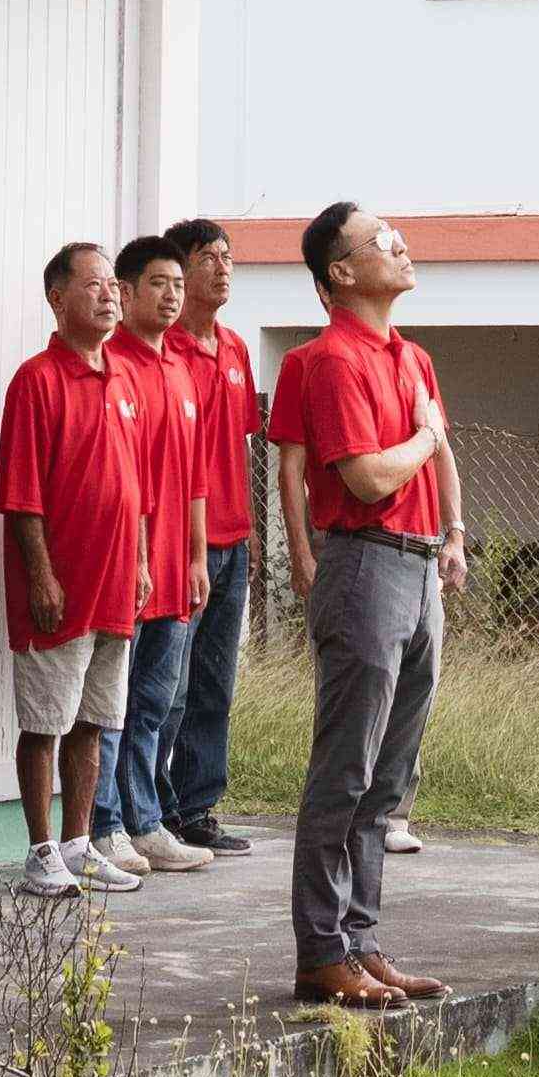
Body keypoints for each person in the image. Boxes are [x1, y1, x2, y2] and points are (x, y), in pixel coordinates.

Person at [274, 199, 460, 1012]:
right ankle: (322, 951)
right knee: (346, 767)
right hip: (365, 564)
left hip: (417, 566)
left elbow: (434, 459)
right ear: (341, 272)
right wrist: (422, 439)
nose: (401, 244)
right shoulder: (328, 361)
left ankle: (360, 941)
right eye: (383, 239)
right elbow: (368, 477)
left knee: (390, 775)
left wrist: (453, 530)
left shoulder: (411, 357)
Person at [0, 241, 152, 896]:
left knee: (94, 721)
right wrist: (41, 574)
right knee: (45, 722)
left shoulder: (124, 377)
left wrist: (140, 561)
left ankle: (80, 844)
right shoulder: (36, 379)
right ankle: (40, 852)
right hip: (61, 586)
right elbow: (20, 491)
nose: (110, 294)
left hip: (115, 585)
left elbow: (134, 485)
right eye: (94, 284)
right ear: (58, 299)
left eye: (113, 284)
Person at [154, 221, 266, 863]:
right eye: (207, 259)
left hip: (233, 538)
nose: (223, 269)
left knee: (215, 682)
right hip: (180, 543)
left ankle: (198, 807)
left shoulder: (235, 348)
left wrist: (247, 530)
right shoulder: (162, 352)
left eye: (228, 257)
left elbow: (241, 444)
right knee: (167, 685)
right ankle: (156, 809)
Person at [96, 238, 206, 868]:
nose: (171, 296)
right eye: (159, 283)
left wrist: (196, 557)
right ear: (127, 290)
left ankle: (145, 820)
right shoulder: (112, 366)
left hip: (174, 569)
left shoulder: (181, 370)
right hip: (127, 568)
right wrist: (138, 558)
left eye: (178, 285)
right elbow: (125, 479)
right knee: (113, 704)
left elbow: (195, 480)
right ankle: (105, 824)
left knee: (156, 704)